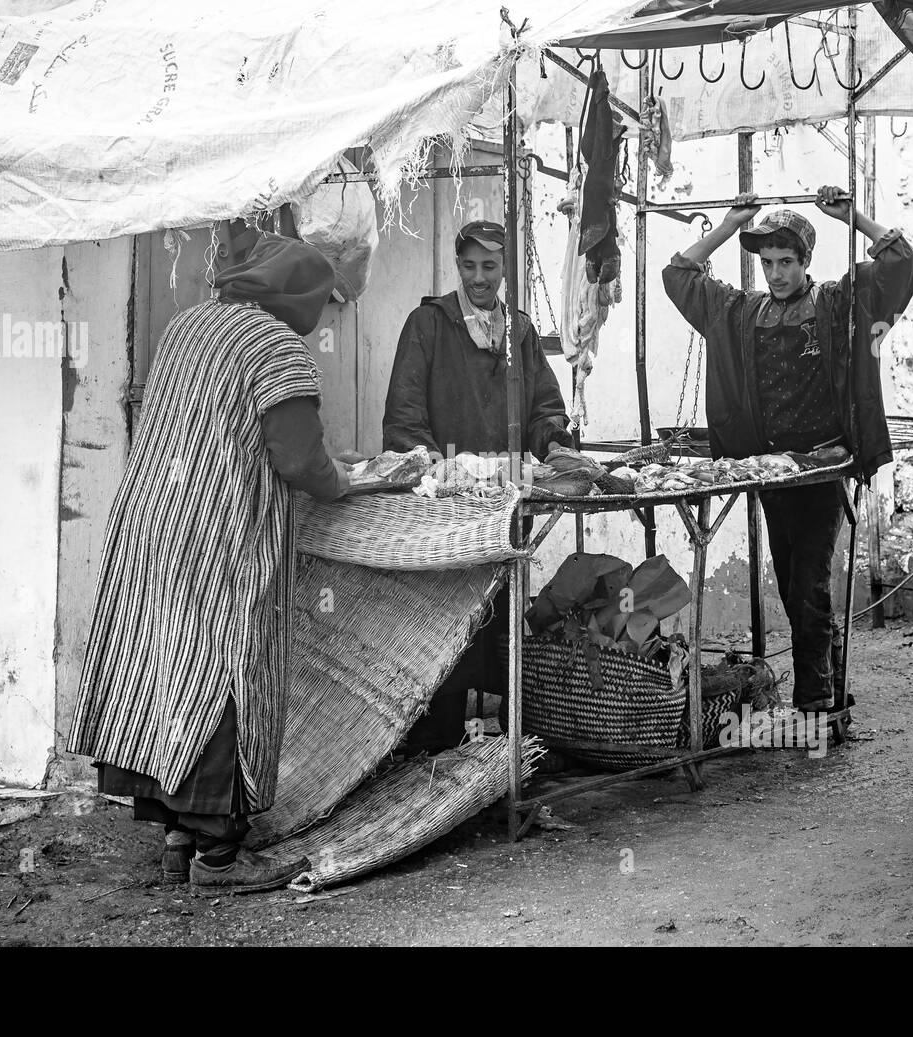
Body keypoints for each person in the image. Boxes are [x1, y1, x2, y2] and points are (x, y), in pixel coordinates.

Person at [68, 234, 351, 893]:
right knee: (224, 667)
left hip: (149, 521)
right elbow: (299, 459)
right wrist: (349, 483)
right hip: (214, 530)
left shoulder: (188, 323)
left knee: (167, 666)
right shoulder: (275, 344)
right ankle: (219, 857)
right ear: (299, 297)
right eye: (320, 300)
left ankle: (176, 840)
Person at [662, 187, 913, 713]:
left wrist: (853, 217)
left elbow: (902, 264)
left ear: (806, 261)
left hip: (824, 466)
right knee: (793, 584)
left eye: (786, 262)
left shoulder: (836, 304)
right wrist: (731, 224)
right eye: (767, 263)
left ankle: (815, 699)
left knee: (808, 583)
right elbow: (679, 276)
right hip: (770, 469)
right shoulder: (740, 312)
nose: (776, 273)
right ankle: (827, 689)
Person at [382, 219, 573, 750]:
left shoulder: (521, 331)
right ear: (458, 266)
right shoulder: (428, 324)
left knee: (502, 619)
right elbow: (403, 416)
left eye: (489, 267)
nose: (478, 277)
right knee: (444, 625)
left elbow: (543, 405)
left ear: (505, 270)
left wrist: (555, 441)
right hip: (447, 506)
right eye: (469, 266)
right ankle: (434, 753)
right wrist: (435, 468)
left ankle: (508, 749)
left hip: (507, 499)